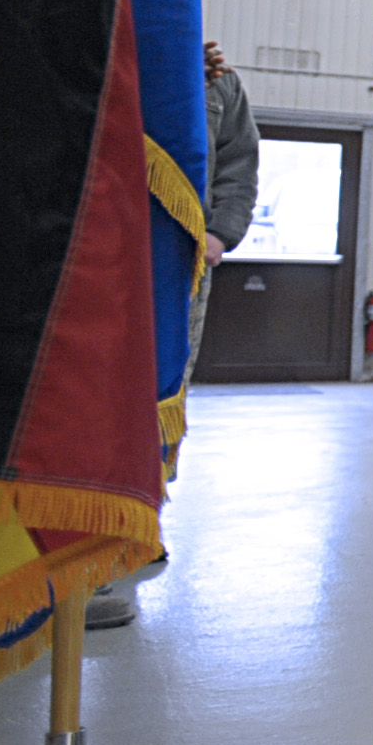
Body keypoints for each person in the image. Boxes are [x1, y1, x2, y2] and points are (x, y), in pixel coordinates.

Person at [91, 41, 262, 631]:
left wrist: (219, 233)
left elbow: (240, 164)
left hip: (181, 263)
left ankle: (142, 522)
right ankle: (84, 529)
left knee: (165, 392)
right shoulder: (110, 62)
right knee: (95, 394)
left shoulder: (215, 81)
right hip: (101, 262)